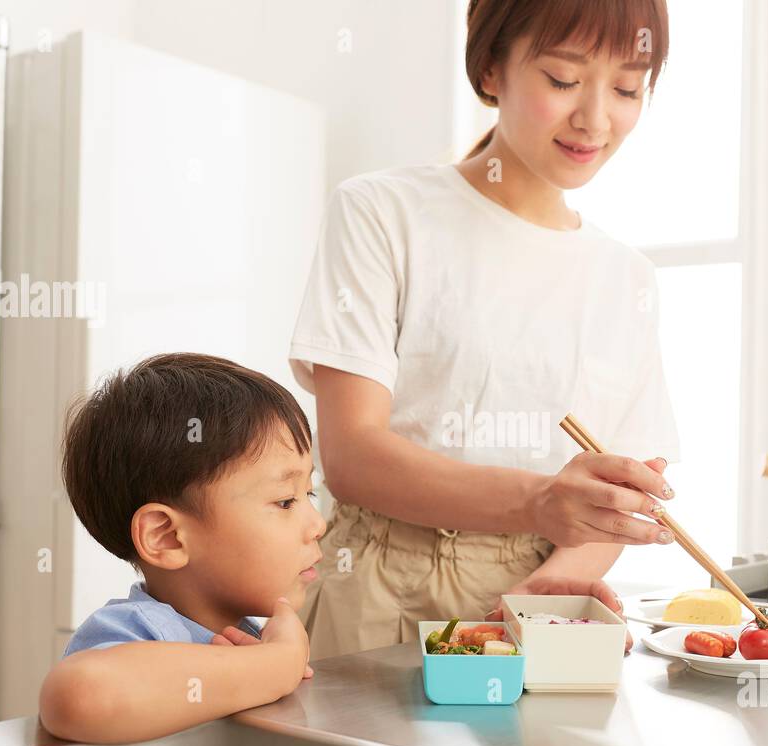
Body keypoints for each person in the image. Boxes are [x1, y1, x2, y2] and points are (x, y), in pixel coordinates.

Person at [290, 0, 680, 658]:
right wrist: (540, 501)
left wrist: (559, 580)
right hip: (385, 580)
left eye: (626, 88)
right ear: (491, 66)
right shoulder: (383, 213)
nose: (595, 118)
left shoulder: (629, 277)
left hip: (536, 601)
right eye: (562, 79)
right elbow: (352, 455)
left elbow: (625, 490)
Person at [38, 353, 324, 744]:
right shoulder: (137, 629)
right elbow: (81, 696)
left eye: (309, 492)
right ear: (167, 538)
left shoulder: (247, 638)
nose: (318, 524)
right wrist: (277, 664)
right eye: (286, 501)